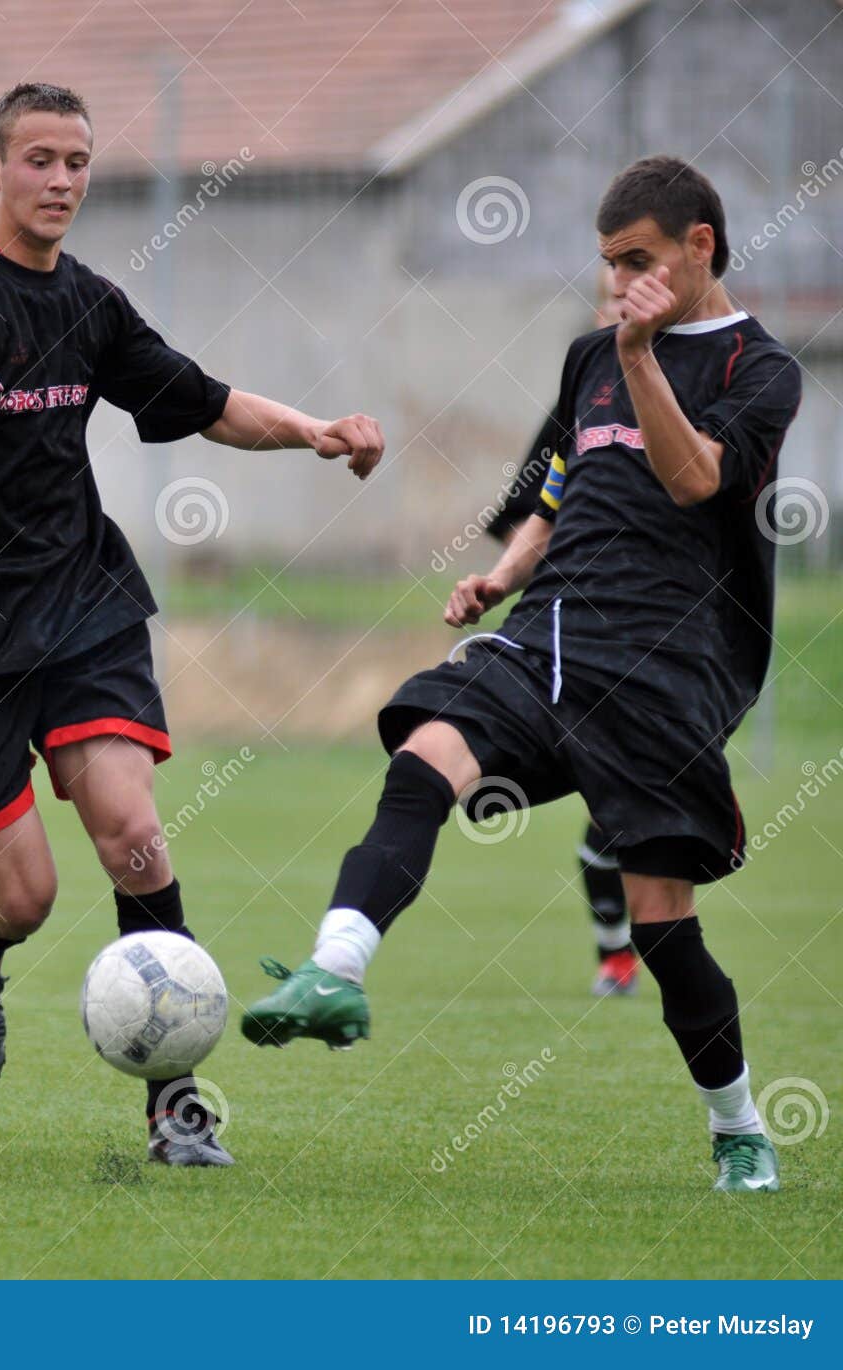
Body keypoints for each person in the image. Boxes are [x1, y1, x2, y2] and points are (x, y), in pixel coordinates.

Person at [242, 156, 801, 1194]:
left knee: (661, 925)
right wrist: (500, 575)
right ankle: (334, 969)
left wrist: (638, 352)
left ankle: (738, 1123)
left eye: (635, 260)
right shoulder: (590, 355)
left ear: (700, 247)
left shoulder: (757, 370)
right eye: (606, 263)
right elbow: (558, 485)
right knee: (421, 758)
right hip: (544, 635)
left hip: (665, 669)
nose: (617, 281)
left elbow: (692, 481)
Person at [0, 82, 384, 1167]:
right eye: (40, 159)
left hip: (81, 605)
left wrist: (316, 431)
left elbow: (200, 398)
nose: (61, 180)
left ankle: (176, 1103)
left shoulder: (90, 305)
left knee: (129, 827)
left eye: (77, 161)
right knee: (27, 893)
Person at [484, 271, 637, 997]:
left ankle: (630, 951)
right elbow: (525, 511)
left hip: (663, 648)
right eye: (610, 305)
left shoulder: (700, 395)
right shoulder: (584, 395)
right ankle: (616, 956)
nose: (621, 314)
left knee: (627, 824)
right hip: (572, 638)